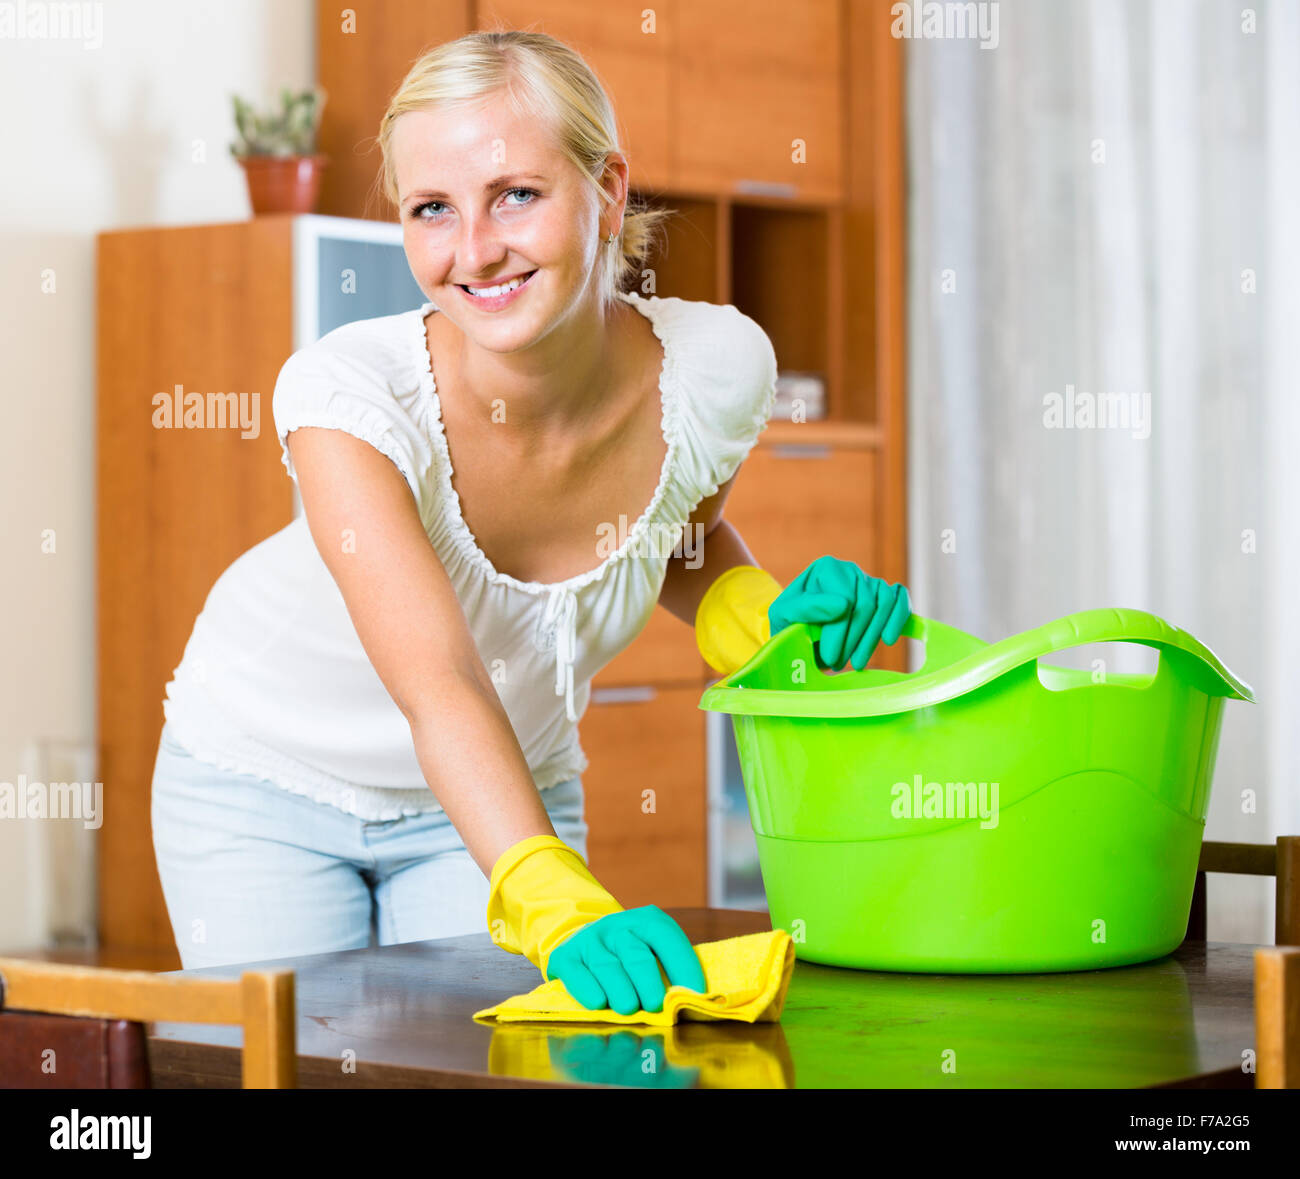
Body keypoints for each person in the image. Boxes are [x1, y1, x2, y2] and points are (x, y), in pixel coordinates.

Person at [151, 29, 909, 1014]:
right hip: (264, 786)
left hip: (506, 781)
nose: (475, 250)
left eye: (515, 193)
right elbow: (440, 679)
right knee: (296, 1070)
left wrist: (761, 620)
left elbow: (673, 541)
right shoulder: (348, 399)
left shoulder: (715, 368)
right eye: (432, 209)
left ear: (607, 191)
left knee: (492, 1073)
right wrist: (555, 906)